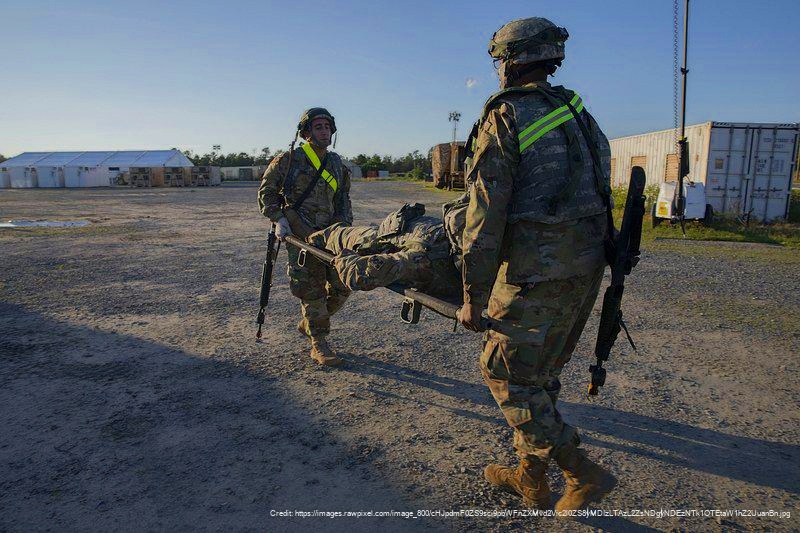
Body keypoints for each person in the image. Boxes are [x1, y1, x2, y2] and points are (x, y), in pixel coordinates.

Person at [455, 17, 618, 511]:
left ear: (509, 61)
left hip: (534, 272)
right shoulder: (577, 112)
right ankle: (530, 479)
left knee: (505, 372)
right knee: (541, 374)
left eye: (498, 61)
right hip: (584, 269)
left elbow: (485, 216)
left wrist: (473, 296)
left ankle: (581, 471)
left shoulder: (506, 116)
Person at [258, 107, 352, 367]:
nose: (325, 132)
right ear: (306, 133)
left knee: (344, 285)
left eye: (327, 127)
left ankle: (309, 324)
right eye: (318, 127)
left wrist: (344, 230)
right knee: (312, 292)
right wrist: (279, 220)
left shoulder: (336, 164)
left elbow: (343, 200)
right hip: (301, 236)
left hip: (331, 236)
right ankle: (319, 343)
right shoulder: (289, 160)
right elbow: (266, 193)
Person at [308, 199, 467, 297]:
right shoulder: (423, 261)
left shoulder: (483, 257)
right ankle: (309, 235)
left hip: (424, 234)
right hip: (390, 235)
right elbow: (358, 274)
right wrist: (345, 259)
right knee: (341, 237)